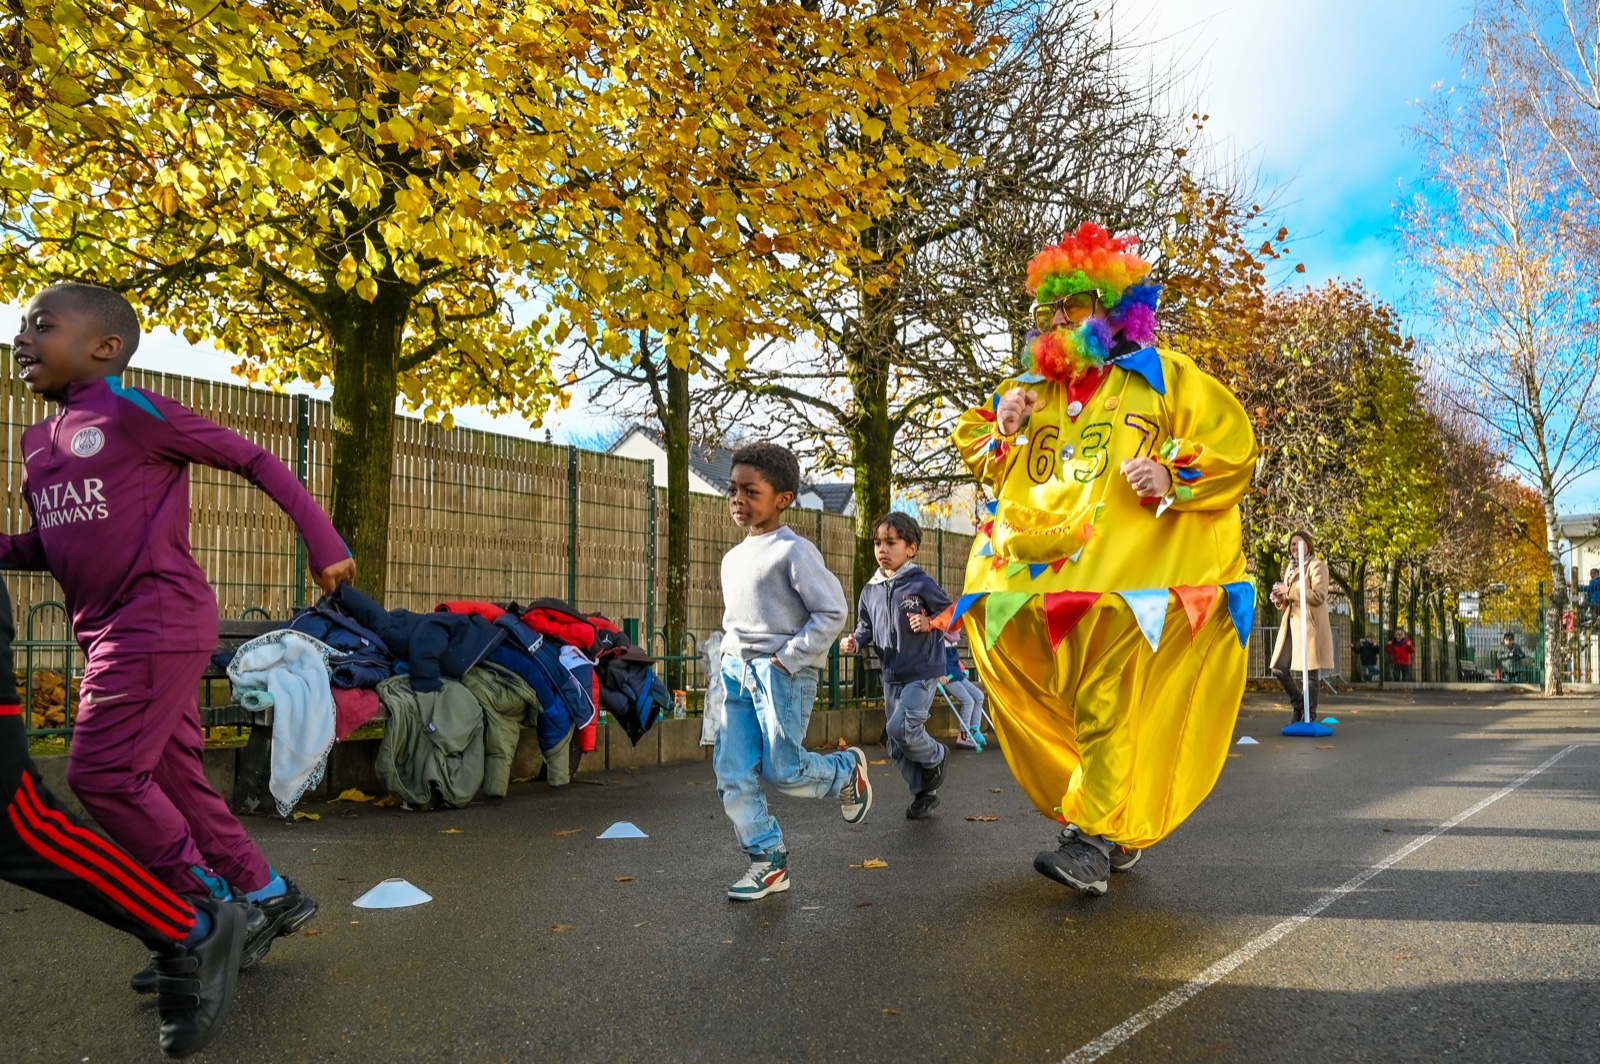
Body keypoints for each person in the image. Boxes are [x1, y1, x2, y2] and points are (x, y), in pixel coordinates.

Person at [0, 284, 354, 986]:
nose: (23, 338)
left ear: (104, 348)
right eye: (20, 326)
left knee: (100, 773)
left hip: (155, 620)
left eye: (43, 324)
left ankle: (206, 913)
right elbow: (52, 546)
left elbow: (255, 459)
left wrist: (324, 541)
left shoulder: (132, 410)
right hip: (105, 633)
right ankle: (265, 893)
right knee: (170, 775)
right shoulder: (38, 443)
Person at [950, 222, 1258, 897]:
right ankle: (1113, 819)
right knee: (1067, 706)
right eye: (1049, 309)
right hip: (1035, 586)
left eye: (1077, 304)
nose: (1060, 319)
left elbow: (1230, 446)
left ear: (1115, 309)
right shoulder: (1028, 389)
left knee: (1105, 700)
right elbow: (976, 443)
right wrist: (1001, 426)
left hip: (1129, 590)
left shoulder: (1167, 378)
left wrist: (1173, 475)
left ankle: (1088, 838)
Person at [0, 579, 248, 1058]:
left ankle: (194, 923)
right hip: (129, 632)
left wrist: (322, 545)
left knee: (19, 822)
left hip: (152, 630)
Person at [713, 442, 872, 901]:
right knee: (732, 773)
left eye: (750, 491)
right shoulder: (731, 559)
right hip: (735, 674)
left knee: (784, 771)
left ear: (782, 498)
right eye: (732, 490)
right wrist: (724, 668)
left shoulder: (794, 551)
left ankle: (846, 772)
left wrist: (787, 659)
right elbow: (735, 625)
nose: (738, 500)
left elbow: (831, 611)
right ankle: (768, 860)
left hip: (781, 674)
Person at [839, 513, 955, 817]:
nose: (882, 549)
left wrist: (929, 622)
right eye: (878, 543)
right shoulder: (870, 589)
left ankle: (936, 756)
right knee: (894, 742)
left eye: (891, 542)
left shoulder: (920, 582)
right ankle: (924, 792)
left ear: (911, 548)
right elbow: (865, 627)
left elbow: (952, 613)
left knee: (900, 727)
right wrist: (854, 640)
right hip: (892, 674)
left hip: (923, 670)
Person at [1269, 531, 1333, 723]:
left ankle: (1309, 716)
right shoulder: (1290, 568)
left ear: (1309, 546)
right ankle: (1299, 703)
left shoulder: (1317, 566)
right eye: (1292, 545)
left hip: (1309, 625)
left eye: (1299, 544)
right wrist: (1280, 599)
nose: (1295, 549)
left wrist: (1288, 590)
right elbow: (1290, 598)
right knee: (1279, 667)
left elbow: (1319, 595)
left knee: (1311, 671)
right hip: (1291, 623)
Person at [942, 632, 987, 748]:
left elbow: (953, 658)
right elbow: (934, 657)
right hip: (947, 677)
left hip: (956, 674)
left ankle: (974, 729)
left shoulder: (954, 637)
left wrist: (960, 666)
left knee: (979, 695)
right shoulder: (939, 637)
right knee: (968, 701)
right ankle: (963, 737)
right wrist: (939, 674)